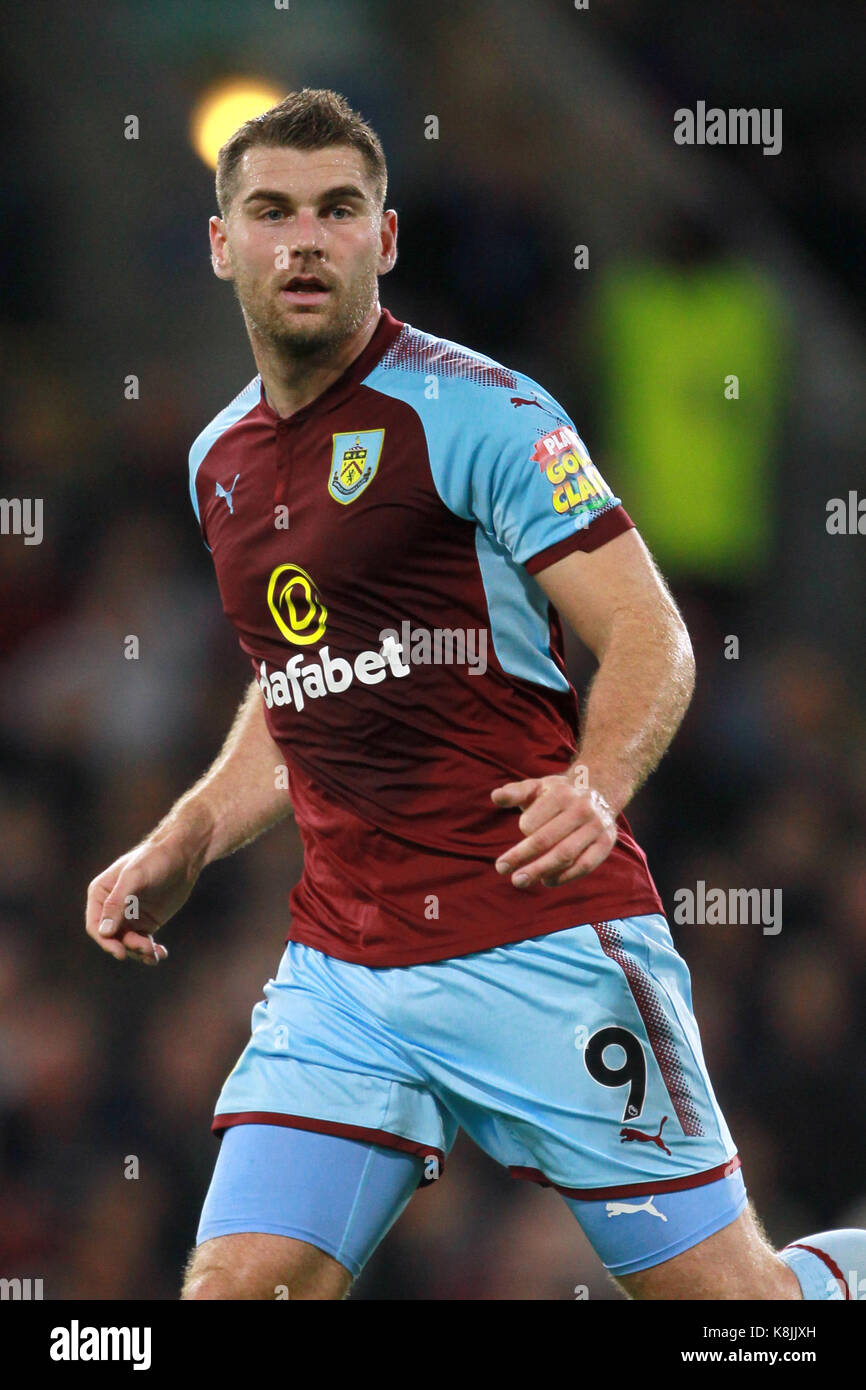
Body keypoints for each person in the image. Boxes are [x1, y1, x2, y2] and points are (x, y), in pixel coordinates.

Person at [86, 88, 864, 1301]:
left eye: (338, 210)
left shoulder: (481, 413)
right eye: (272, 211)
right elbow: (302, 687)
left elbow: (651, 636)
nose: (304, 240)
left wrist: (596, 785)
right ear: (221, 241)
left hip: (539, 940)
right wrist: (186, 832)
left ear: (382, 241)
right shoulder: (217, 459)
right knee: (238, 1288)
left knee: (736, 1314)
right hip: (345, 970)